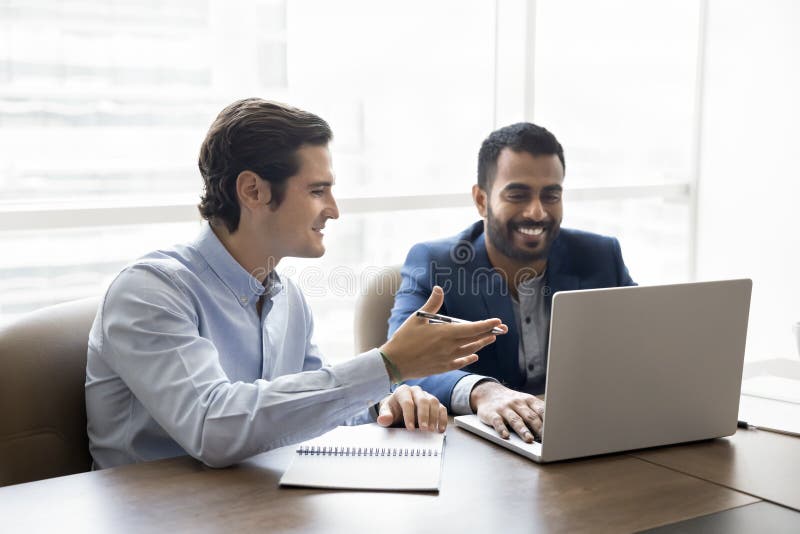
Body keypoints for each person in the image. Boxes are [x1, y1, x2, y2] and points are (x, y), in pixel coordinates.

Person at [85, 98, 507, 469]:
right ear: (253, 190)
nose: (334, 210)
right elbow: (213, 429)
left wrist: (383, 403)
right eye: (318, 190)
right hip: (153, 514)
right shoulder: (150, 291)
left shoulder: (287, 297)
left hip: (246, 508)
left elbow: (303, 412)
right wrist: (387, 365)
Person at [388, 122, 635, 443]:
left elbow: (645, 345)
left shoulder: (601, 255)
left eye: (551, 195)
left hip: (586, 435)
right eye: (518, 195)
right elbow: (397, 364)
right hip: (488, 449)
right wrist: (483, 391)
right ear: (481, 200)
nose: (537, 212)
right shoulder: (436, 263)